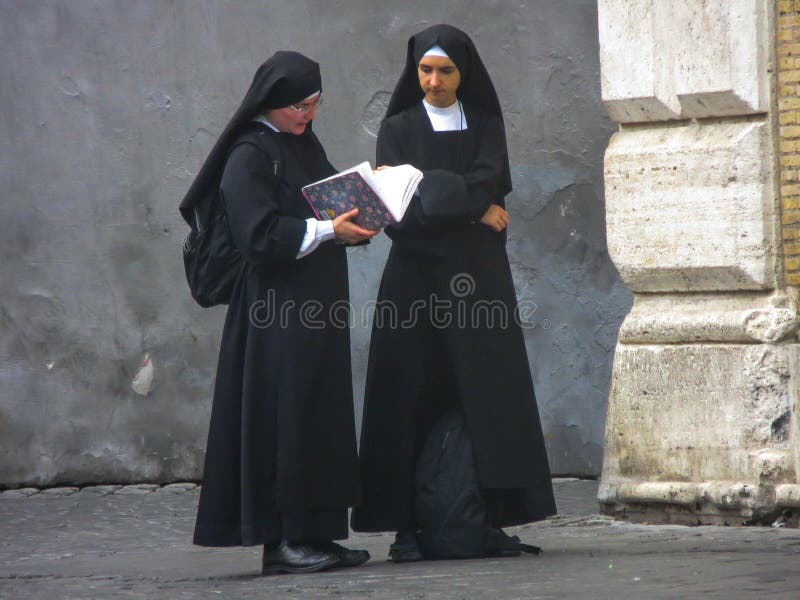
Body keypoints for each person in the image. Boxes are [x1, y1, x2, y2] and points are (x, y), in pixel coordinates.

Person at [351, 25, 556, 561]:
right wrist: (471, 210)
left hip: (477, 279)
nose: (434, 81)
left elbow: (487, 181)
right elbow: (400, 212)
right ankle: (406, 531)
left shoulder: (486, 125)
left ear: (463, 73)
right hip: (413, 280)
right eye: (425, 70)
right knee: (408, 393)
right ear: (413, 71)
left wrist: (431, 190)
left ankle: (487, 520)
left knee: (486, 395)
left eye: (445, 70)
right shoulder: (396, 127)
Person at [181, 51, 377, 575]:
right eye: (299, 106)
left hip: (315, 306)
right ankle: (283, 541)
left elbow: (327, 196)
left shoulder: (299, 141)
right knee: (285, 418)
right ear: (273, 102)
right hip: (275, 312)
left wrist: (370, 199)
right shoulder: (248, 154)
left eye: (314, 105)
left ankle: (318, 532)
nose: (307, 115)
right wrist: (329, 231)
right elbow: (259, 235)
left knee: (320, 413)